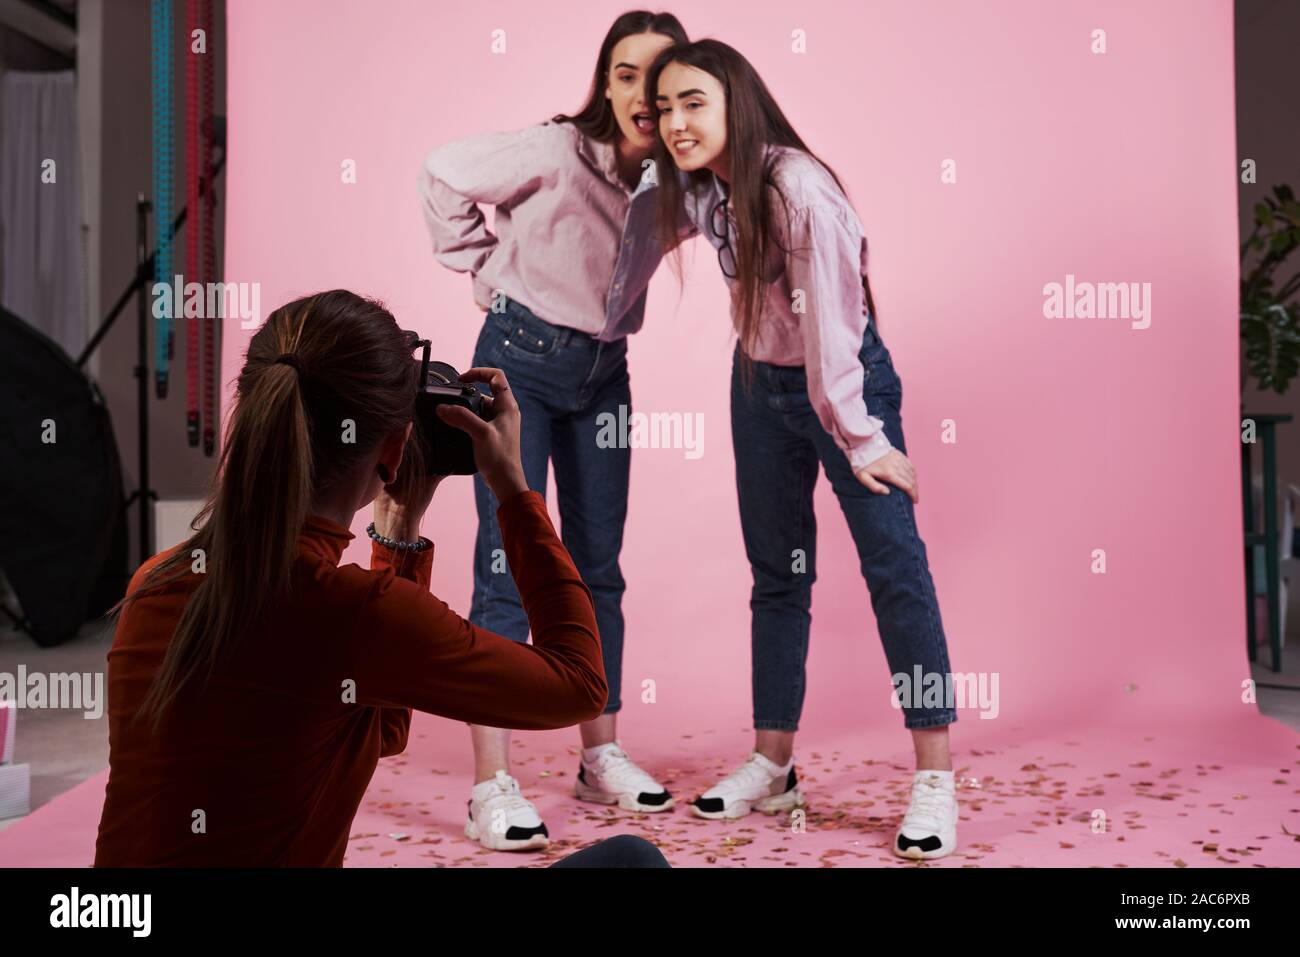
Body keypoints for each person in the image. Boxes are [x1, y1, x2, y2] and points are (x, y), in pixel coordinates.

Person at [92, 289, 660, 867]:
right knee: (631, 862)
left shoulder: (154, 583)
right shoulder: (357, 613)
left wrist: (399, 529)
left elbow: (376, 731)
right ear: (392, 449)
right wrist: (513, 490)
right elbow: (582, 686)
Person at [647, 40, 960, 859]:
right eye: (666, 107)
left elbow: (832, 333)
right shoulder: (708, 186)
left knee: (895, 566)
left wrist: (861, 436)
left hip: (845, 384)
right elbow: (634, 228)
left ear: (735, 104)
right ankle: (774, 761)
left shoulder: (802, 193)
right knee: (776, 576)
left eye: (694, 104)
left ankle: (933, 774)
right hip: (760, 384)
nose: (677, 122)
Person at [418, 10, 698, 850]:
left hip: (604, 374)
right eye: (624, 74)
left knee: (598, 565)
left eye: (657, 78)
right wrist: (481, 267)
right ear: (604, 82)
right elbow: (440, 170)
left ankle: (598, 752)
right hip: (518, 364)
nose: (640, 95)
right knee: (504, 564)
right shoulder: (553, 151)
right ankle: (492, 783)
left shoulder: (675, 180)